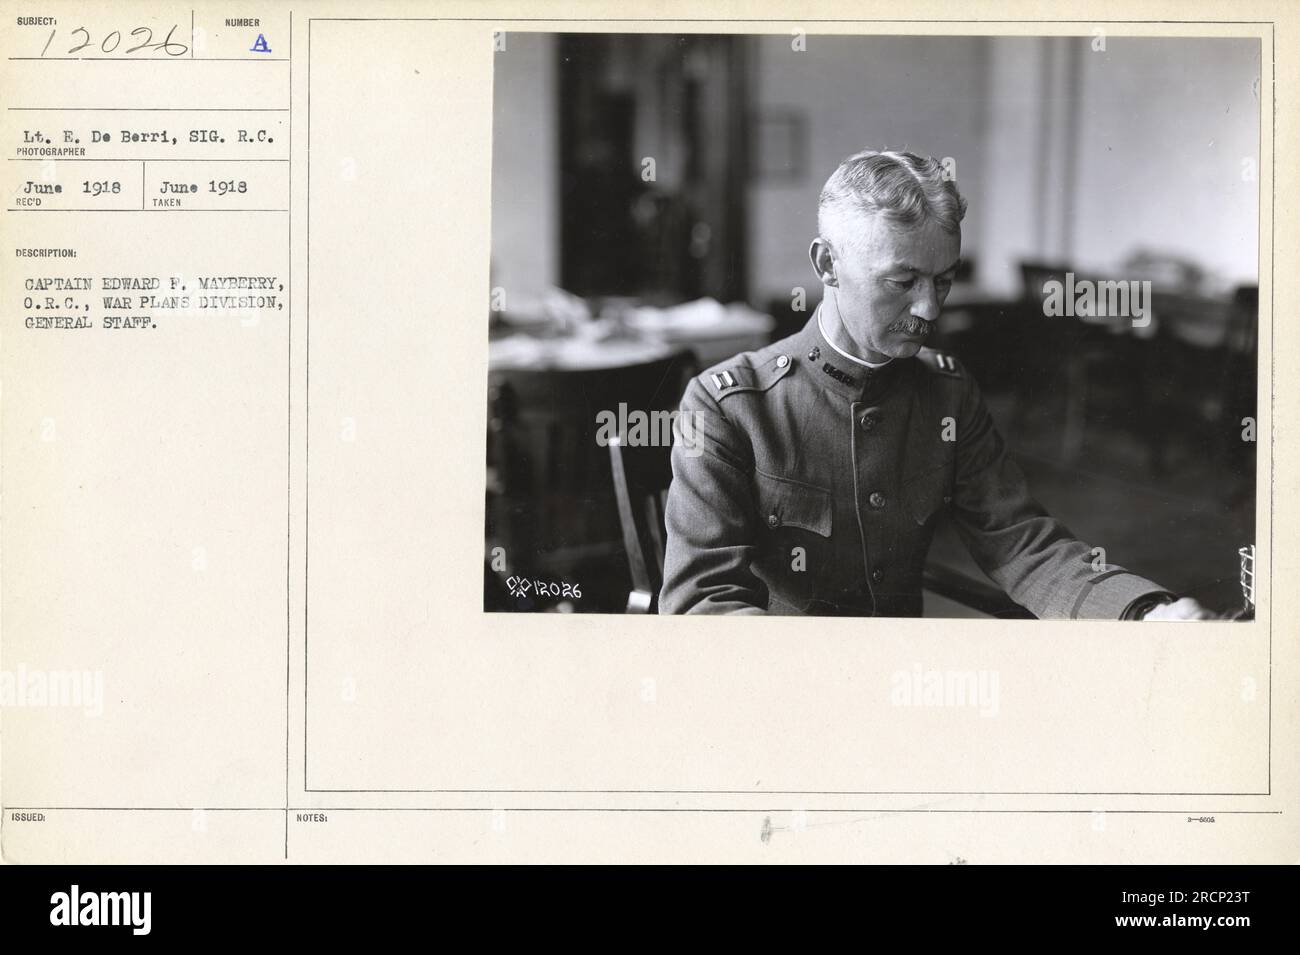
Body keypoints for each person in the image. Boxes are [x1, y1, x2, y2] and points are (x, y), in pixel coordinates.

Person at [659, 149, 1209, 619]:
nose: (927, 309)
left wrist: (1143, 613)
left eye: (943, 281)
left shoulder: (948, 392)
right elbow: (704, 604)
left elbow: (1020, 541)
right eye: (902, 281)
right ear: (828, 264)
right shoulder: (728, 405)